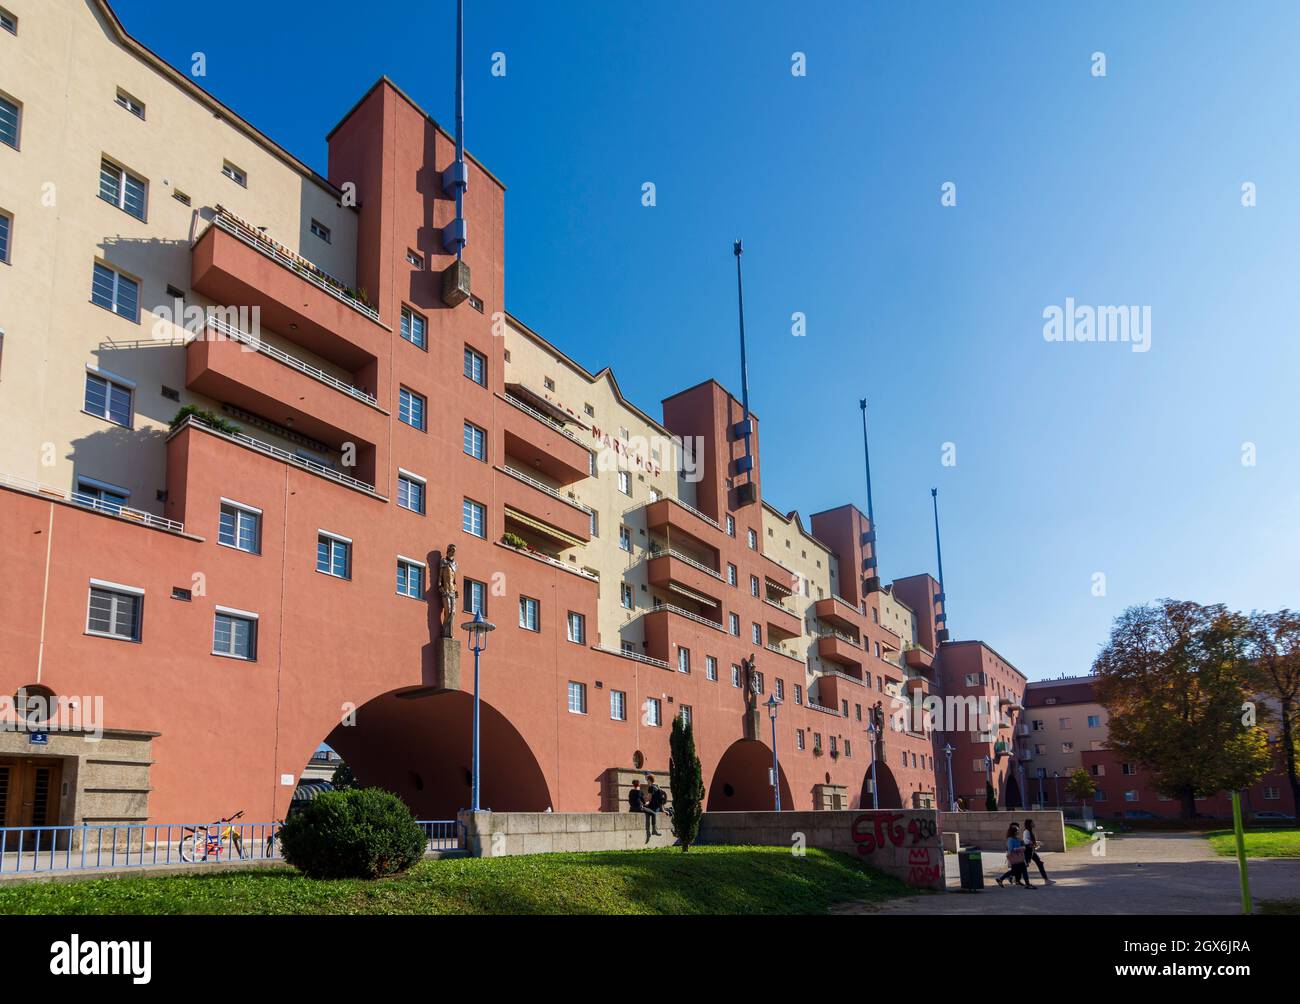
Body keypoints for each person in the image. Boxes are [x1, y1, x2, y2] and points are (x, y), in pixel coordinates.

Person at [996, 822, 1035, 889]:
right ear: (1013, 832)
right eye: (1017, 831)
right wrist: (1019, 848)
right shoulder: (1010, 839)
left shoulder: (1016, 838)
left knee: (1015, 870)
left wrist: (1022, 847)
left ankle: (1000, 879)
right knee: (1020, 870)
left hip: (1019, 857)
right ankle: (1027, 884)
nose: (1018, 832)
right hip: (1016, 857)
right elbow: (1010, 849)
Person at [1023, 818, 1054, 884]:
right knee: (1024, 865)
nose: (1033, 823)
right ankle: (1012, 876)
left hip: (1032, 850)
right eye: (1032, 822)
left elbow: (1029, 840)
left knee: (1039, 863)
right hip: (1028, 851)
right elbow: (1025, 840)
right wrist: (1035, 843)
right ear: (1029, 824)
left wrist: (1036, 842)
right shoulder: (1026, 831)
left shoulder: (1030, 831)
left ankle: (1046, 880)